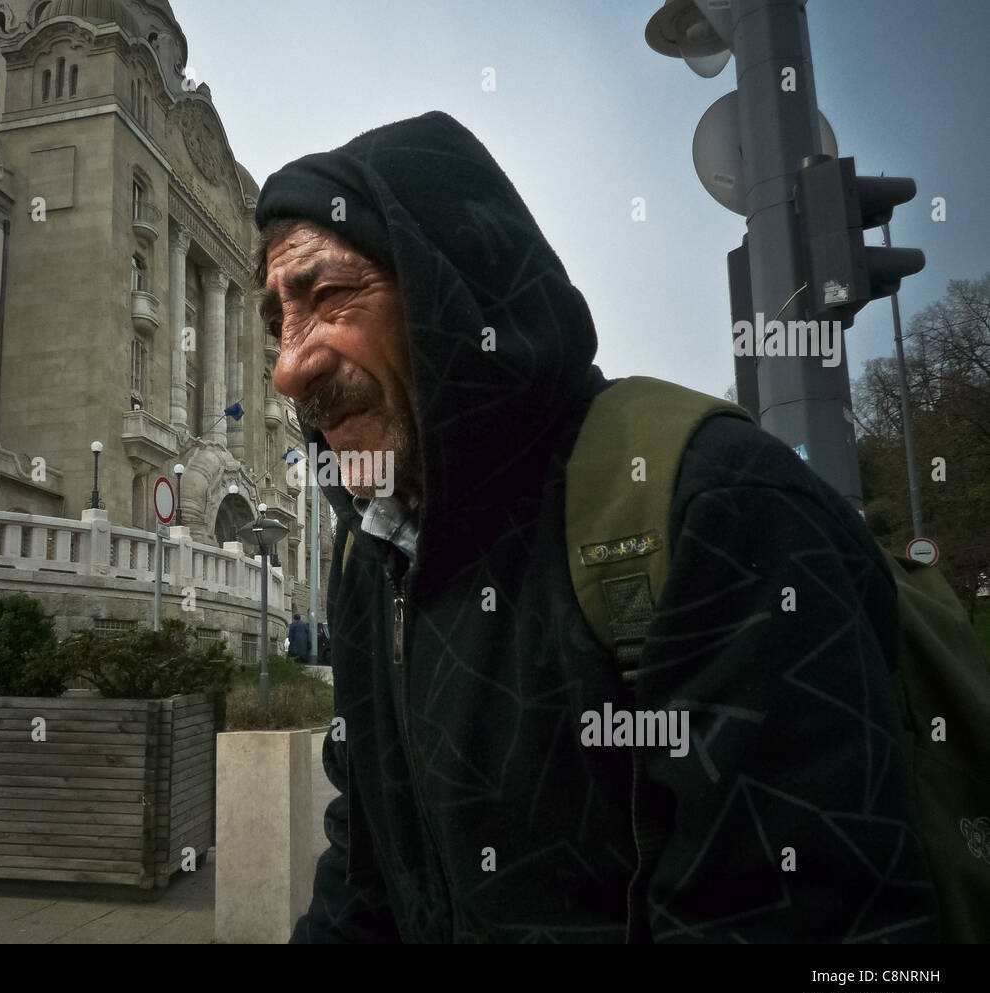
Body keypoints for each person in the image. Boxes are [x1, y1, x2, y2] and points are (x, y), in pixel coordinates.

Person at [252, 110, 938, 943]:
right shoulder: (372, 553)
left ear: (452, 291)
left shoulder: (713, 502)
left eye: (329, 296)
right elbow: (363, 877)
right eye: (276, 321)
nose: (291, 367)